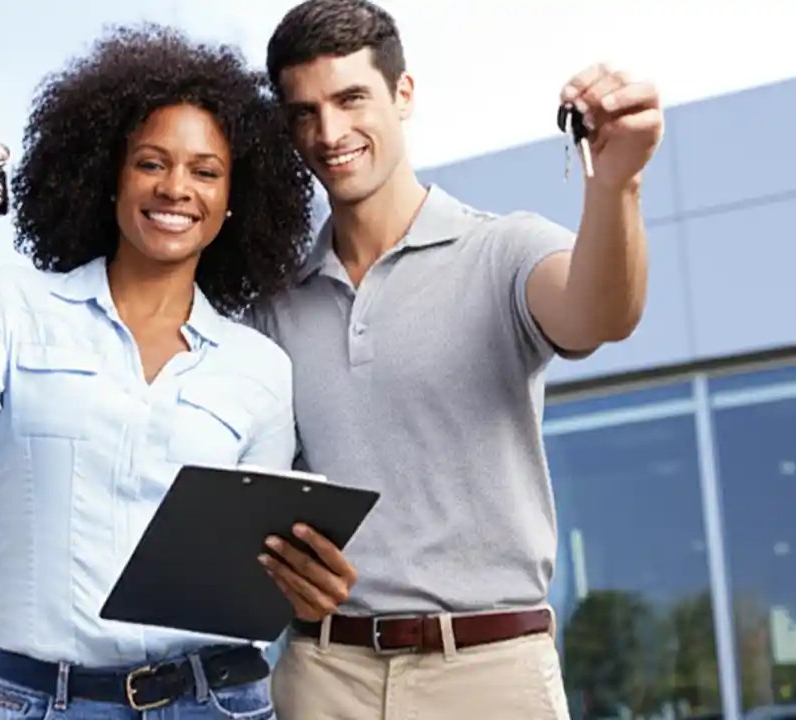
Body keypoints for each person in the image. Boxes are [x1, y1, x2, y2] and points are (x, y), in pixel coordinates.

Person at [0, 23, 333, 720]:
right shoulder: (17, 306)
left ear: (233, 201)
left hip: (218, 702)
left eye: (205, 171)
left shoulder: (258, 368)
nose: (176, 188)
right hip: (49, 703)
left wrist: (302, 584)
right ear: (110, 176)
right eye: (150, 163)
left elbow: (251, 583)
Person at [248, 1, 665, 718]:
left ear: (402, 95)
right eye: (305, 113)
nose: (329, 133)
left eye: (351, 99)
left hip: (487, 672)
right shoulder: (275, 303)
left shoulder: (503, 251)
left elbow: (602, 314)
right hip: (321, 677)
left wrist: (616, 185)